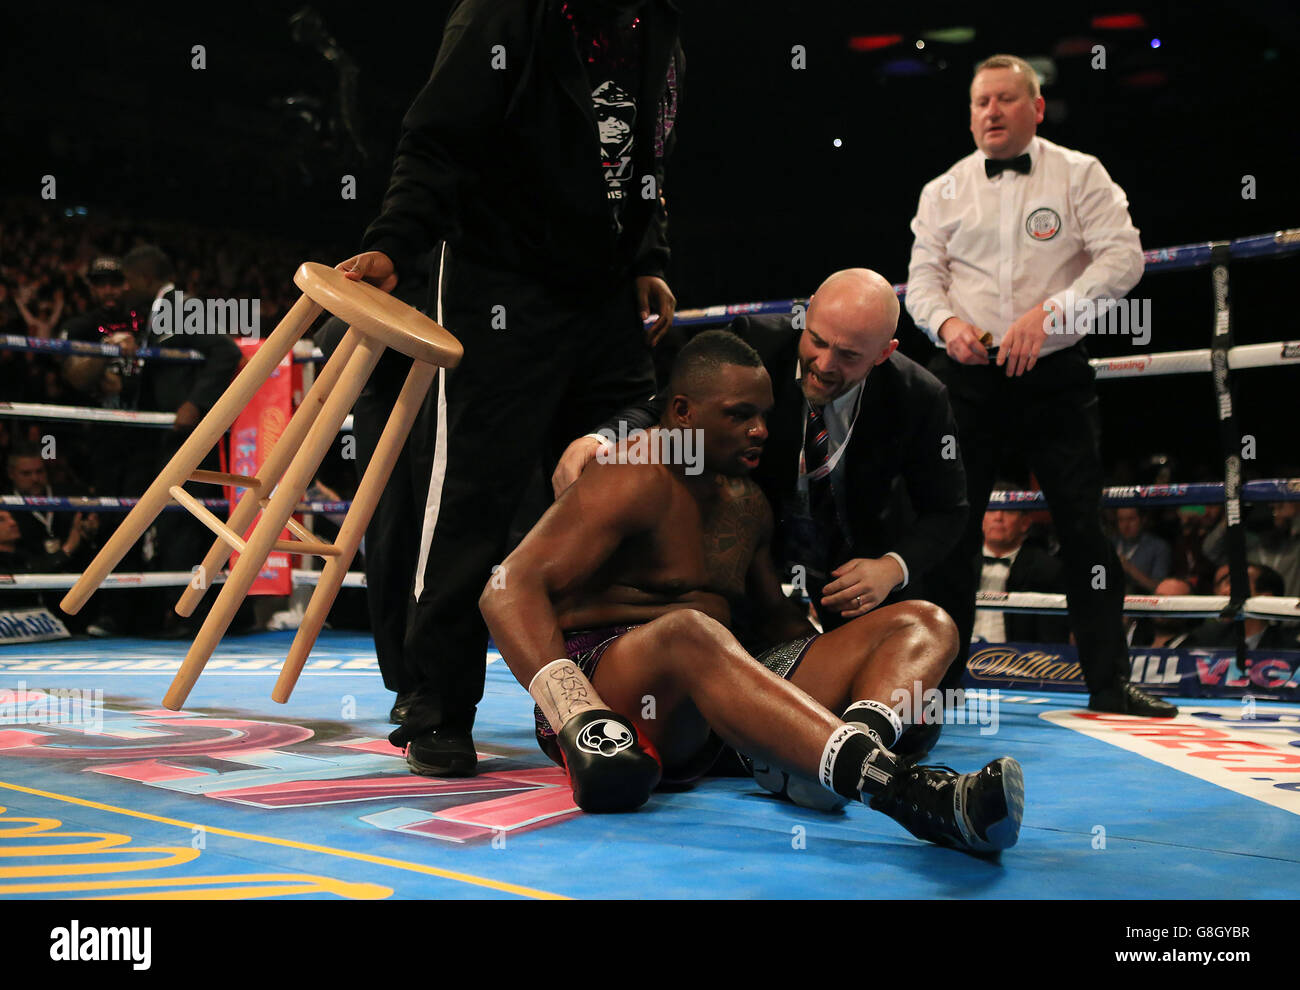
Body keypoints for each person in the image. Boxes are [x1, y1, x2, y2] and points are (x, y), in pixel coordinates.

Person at [481, 331, 1024, 854]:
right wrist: (576, 717)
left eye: (764, 413)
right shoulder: (631, 472)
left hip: (710, 703)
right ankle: (906, 792)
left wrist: (856, 675)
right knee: (690, 632)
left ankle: (837, 754)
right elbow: (506, 589)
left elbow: (777, 626)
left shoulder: (748, 504)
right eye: (740, 415)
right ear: (683, 413)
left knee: (925, 622)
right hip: (611, 692)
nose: (761, 430)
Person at [339, 0, 684, 776]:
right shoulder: (505, 10)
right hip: (501, 282)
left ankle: (614, 688)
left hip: (601, 292)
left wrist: (648, 257)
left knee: (631, 458)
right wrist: (396, 240)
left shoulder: (657, 26)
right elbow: (439, 132)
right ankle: (436, 703)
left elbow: (644, 163)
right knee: (473, 494)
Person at [905, 53, 1175, 717]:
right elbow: (921, 281)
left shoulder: (1079, 174)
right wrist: (947, 324)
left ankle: (1109, 683)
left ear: (1036, 108)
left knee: (1083, 527)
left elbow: (1123, 257)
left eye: (1004, 99)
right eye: (980, 103)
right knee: (951, 531)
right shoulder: (942, 189)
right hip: (966, 379)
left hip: (1053, 373)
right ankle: (939, 683)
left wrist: (1053, 313)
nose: (991, 112)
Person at [974, 495, 1069, 645]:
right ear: (981, 519)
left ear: (1025, 523)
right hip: (961, 656)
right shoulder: (961, 563)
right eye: (992, 510)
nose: (998, 517)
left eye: (1009, 511)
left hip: (1018, 662)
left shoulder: (1046, 569)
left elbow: (1050, 638)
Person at [1113, 507, 1171, 593]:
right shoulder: (1111, 543)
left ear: (1143, 519)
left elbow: (1159, 589)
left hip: (1144, 604)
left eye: (1131, 519)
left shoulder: (1158, 547)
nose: (1125, 525)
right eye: (1121, 520)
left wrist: (1130, 569)